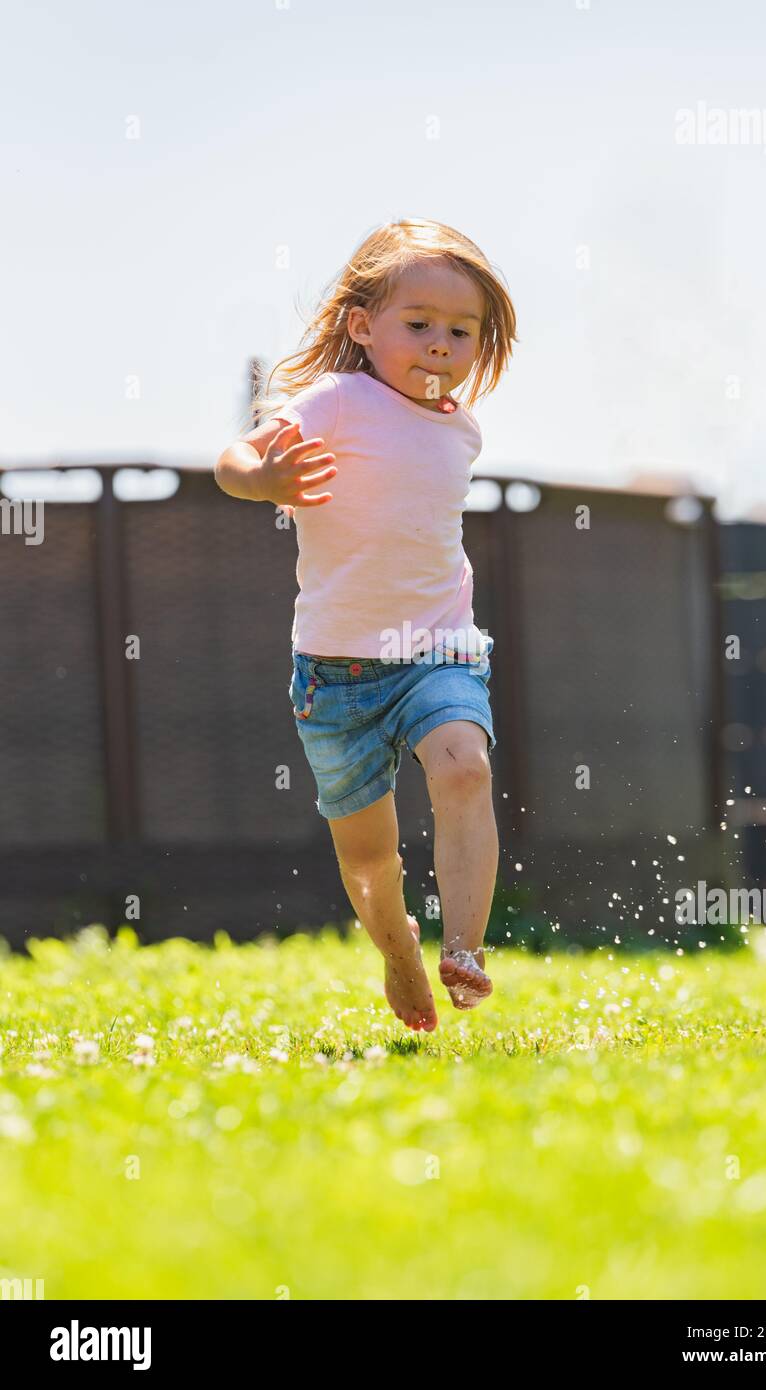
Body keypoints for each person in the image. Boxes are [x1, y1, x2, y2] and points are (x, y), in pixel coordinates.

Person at [215, 218, 518, 1032]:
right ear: (362, 327)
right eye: (417, 325)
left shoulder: (461, 428)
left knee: (462, 770)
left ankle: (466, 947)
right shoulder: (339, 402)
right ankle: (398, 952)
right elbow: (233, 463)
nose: (439, 344)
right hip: (337, 671)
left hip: (440, 649)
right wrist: (265, 474)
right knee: (369, 857)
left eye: (461, 331)